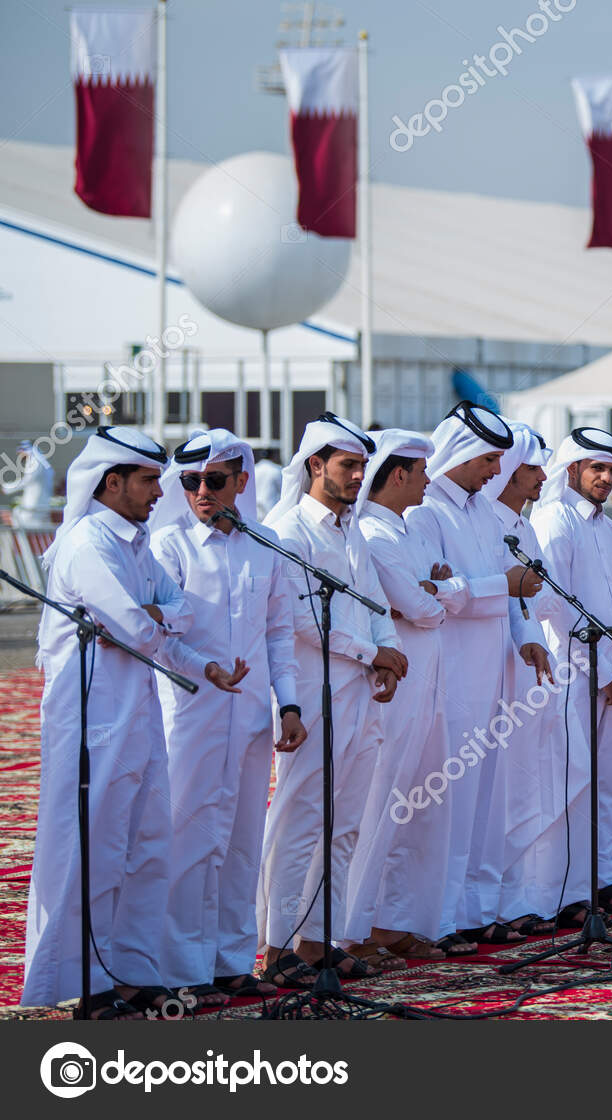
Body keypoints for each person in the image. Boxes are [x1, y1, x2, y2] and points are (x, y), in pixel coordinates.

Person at [24, 427, 231, 1016]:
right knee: (90, 850)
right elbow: (137, 628)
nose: (158, 494)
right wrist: (155, 617)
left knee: (145, 847)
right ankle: (80, 984)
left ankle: (133, 971)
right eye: (147, 481)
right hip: (91, 721)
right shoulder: (90, 544)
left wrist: (156, 618)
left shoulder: (137, 543)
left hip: (136, 715)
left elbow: (177, 614)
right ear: (111, 482)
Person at [151, 429, 305, 1006]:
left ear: (241, 481)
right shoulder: (170, 547)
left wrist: (287, 703)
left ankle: (232, 960)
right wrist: (205, 670)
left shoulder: (264, 541)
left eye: (214, 481)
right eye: (189, 482)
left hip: (252, 715)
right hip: (190, 711)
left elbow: (278, 633)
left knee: (243, 838)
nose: (201, 493)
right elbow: (162, 637)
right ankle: (182, 966)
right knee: (192, 836)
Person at [258, 414, 406, 987]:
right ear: (315, 465)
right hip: (310, 693)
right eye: (348, 465)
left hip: (360, 696)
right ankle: (276, 948)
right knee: (299, 820)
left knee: (345, 823)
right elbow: (297, 618)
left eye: (362, 466)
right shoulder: (289, 532)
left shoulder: (351, 531)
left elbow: (373, 601)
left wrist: (389, 651)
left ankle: (319, 940)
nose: (357, 476)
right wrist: (372, 654)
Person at [410, 402, 536, 949]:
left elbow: (489, 587)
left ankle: (478, 909)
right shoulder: (424, 511)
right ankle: (437, 919)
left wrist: (526, 635)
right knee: (450, 800)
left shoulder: (483, 511)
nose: (494, 472)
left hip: (495, 669)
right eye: (488, 459)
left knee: (488, 795)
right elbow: (439, 596)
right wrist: (497, 585)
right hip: (450, 674)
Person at [345, 429, 464, 963]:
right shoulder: (374, 534)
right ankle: (355, 928)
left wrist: (434, 591)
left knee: (416, 806)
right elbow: (426, 608)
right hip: (392, 691)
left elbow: (431, 595)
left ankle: (393, 920)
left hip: (427, 686)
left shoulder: (407, 530)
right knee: (378, 804)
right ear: (398, 475)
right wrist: (435, 593)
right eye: (420, 473)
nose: (428, 482)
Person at [530, 427, 612, 918]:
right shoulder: (555, 522)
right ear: (571, 470)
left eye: (611, 470)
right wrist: (604, 672)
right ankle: (566, 892)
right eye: (596, 469)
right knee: (572, 782)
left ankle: (603, 880)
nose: (605, 478)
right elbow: (555, 607)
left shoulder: (606, 528)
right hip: (571, 674)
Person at [479, 423, 563, 937]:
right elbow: (503, 592)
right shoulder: (490, 522)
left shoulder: (521, 525)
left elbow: (536, 596)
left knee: (529, 790)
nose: (541, 476)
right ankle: (492, 905)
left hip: (529, 668)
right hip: (491, 671)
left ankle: (522, 898)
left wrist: (529, 624)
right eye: (531, 467)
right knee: (499, 794)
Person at [8, 440, 54, 527]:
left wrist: (6, 488)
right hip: (40, 504)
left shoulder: (36, 462)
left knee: (20, 520)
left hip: (35, 505)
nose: (20, 456)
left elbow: (26, 481)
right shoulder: (40, 462)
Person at [253, 449, 284, 516]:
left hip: (255, 508)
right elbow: (282, 490)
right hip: (270, 508)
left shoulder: (255, 469)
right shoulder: (276, 469)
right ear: (272, 456)